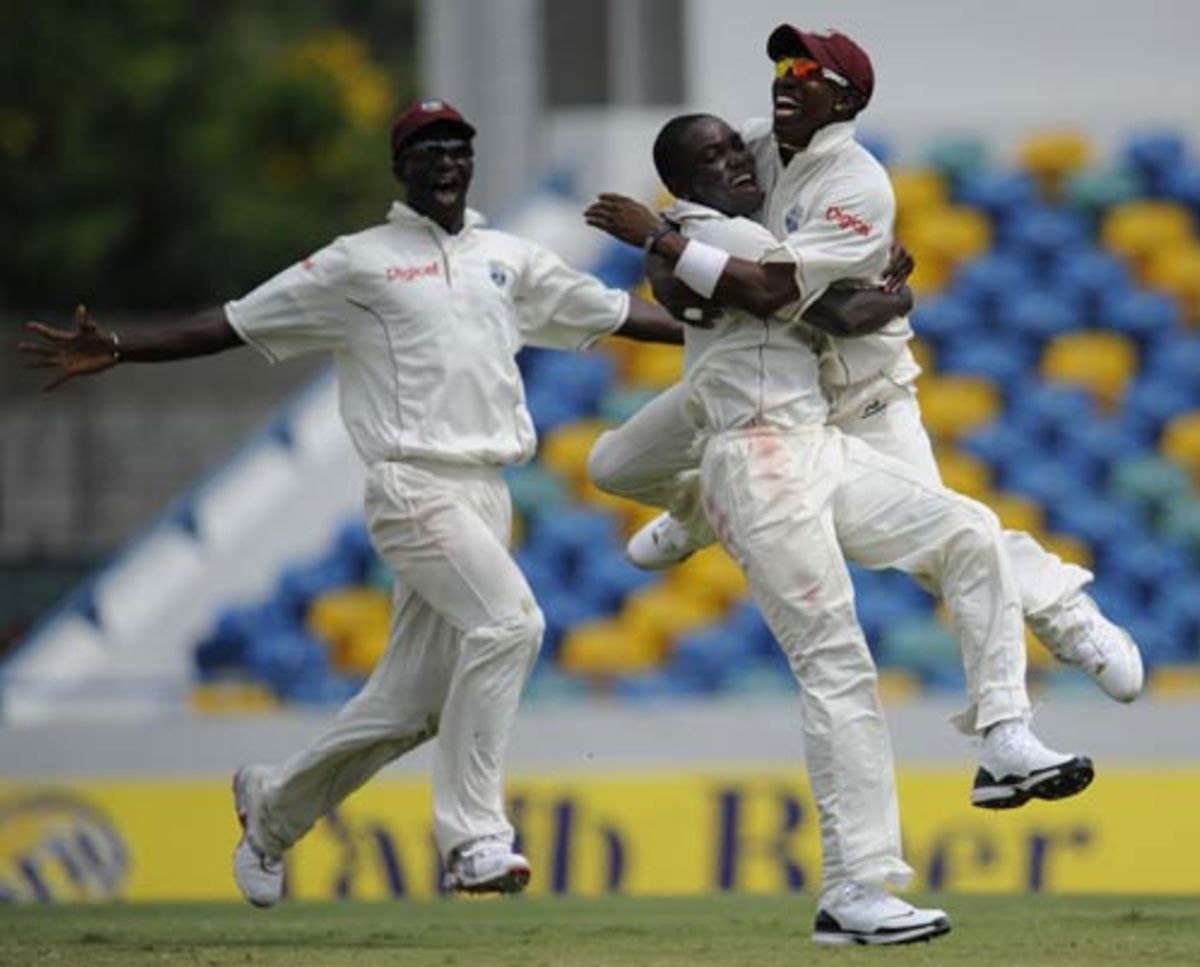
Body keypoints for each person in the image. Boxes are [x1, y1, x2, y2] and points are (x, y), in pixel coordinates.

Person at [19, 99, 686, 906]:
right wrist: (123, 348)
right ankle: (475, 838)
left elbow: (619, 314)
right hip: (411, 483)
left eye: (457, 148)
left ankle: (272, 808)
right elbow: (235, 322)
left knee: (410, 707)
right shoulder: (356, 263)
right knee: (512, 623)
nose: (445, 161)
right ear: (401, 169)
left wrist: (732, 330)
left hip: (485, 490)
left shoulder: (510, 257)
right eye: (427, 150)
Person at [588, 111, 1100, 946]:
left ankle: (1005, 732)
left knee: (969, 529)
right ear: (682, 185)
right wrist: (671, 242)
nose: (733, 160)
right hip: (755, 462)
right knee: (839, 667)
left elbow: (837, 309)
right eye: (710, 156)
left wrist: (883, 287)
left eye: (731, 144)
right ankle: (855, 889)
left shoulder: (768, 233)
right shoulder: (682, 232)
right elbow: (721, 291)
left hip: (816, 445)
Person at [585, 24, 1144, 705]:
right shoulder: (752, 145)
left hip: (861, 394)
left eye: (806, 71)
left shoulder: (859, 184)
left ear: (845, 100)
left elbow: (818, 307)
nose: (786, 78)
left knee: (944, 547)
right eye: (783, 64)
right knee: (615, 464)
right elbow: (674, 265)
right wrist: (687, 258)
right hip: (774, 387)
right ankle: (699, 505)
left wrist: (726, 275)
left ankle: (1063, 609)